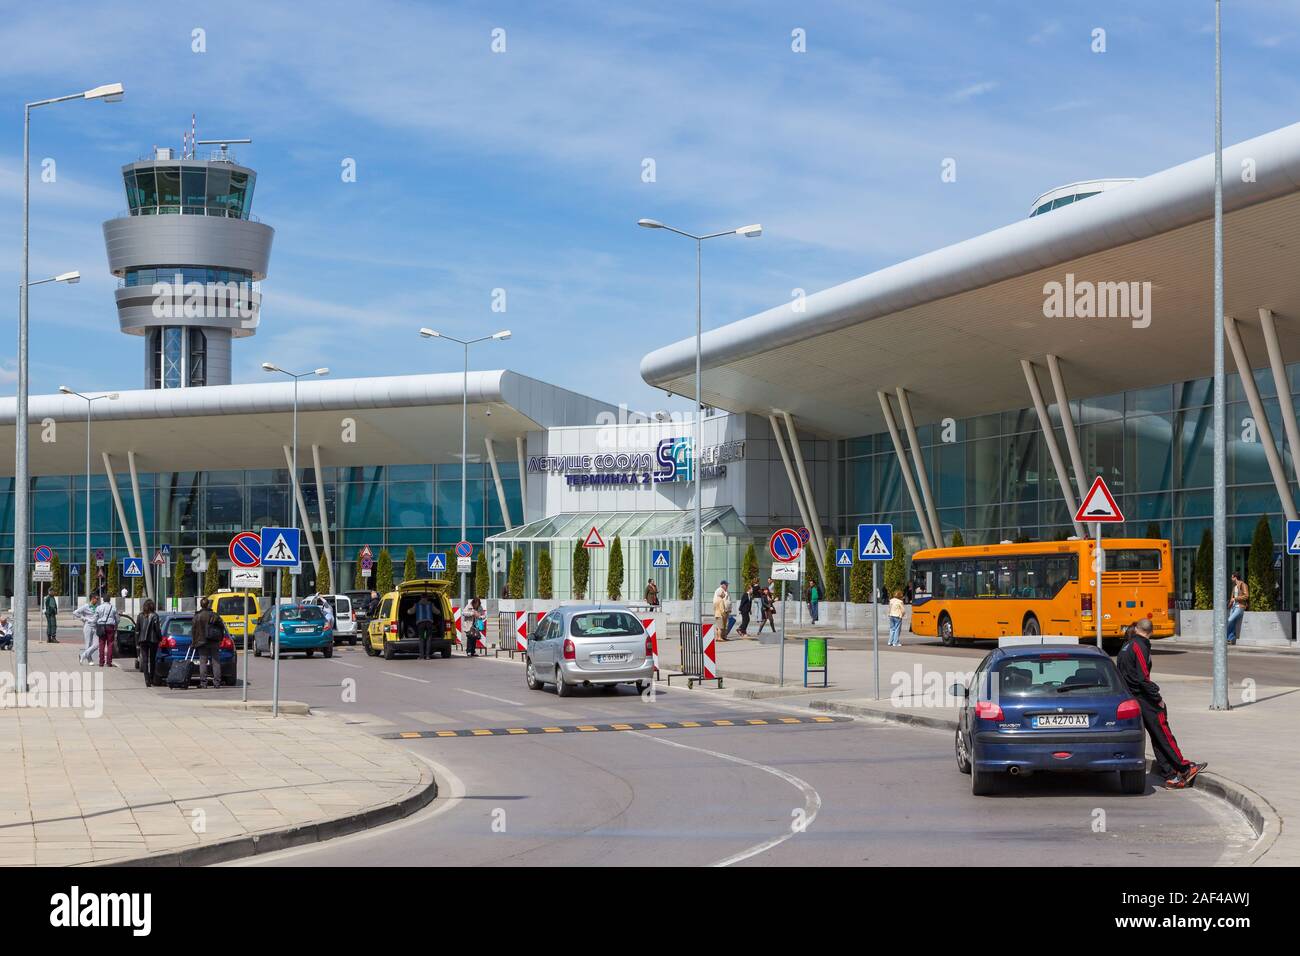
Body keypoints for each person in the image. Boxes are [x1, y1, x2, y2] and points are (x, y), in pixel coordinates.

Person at [1117, 618, 1207, 789]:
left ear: (1136, 629)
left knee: (1157, 736)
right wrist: (1157, 698)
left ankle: (1170, 775)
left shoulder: (1126, 646)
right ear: (1151, 632)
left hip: (1131, 697)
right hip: (1144, 698)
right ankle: (1185, 767)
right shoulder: (1139, 646)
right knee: (1163, 733)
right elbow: (1143, 677)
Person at [191, 597, 223, 688]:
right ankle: (217, 683)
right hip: (214, 641)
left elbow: (193, 630)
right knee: (216, 662)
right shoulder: (215, 615)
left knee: (203, 662)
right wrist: (220, 639)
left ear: (201, 605)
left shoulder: (197, 616)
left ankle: (203, 683)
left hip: (201, 642)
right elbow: (222, 628)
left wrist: (193, 642)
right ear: (208, 604)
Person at [136, 598, 163, 688]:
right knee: (152, 659)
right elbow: (157, 629)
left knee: (144, 660)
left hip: (143, 640)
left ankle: (146, 679)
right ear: (153, 606)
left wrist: (137, 642)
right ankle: (151, 678)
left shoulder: (140, 616)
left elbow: (137, 630)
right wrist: (160, 638)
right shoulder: (155, 616)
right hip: (153, 640)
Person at [74, 594, 99, 664]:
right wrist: (83, 618)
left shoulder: (98, 607)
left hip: (95, 627)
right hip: (88, 626)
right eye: (96, 598)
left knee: (97, 644)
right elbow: (75, 612)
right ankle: (89, 659)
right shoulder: (86, 606)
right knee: (88, 644)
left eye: (98, 599)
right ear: (92, 599)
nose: (97, 600)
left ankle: (83, 655)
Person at [411, 593, 438, 659]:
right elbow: (436, 612)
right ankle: (428, 656)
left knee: (421, 639)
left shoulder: (417, 604)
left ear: (421, 597)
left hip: (420, 623)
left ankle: (421, 656)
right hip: (429, 622)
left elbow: (410, 612)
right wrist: (439, 612)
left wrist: (407, 610)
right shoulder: (431, 604)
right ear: (427, 597)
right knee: (429, 639)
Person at [94, 594, 119, 667]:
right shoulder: (113, 608)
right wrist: (116, 626)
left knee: (101, 644)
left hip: (101, 626)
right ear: (109, 600)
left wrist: (96, 625)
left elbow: (95, 617)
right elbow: (117, 619)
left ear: (103, 600)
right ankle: (109, 662)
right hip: (110, 626)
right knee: (110, 644)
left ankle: (101, 662)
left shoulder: (99, 607)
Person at [1227, 571, 1248, 645]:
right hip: (1233, 607)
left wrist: (1235, 599)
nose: (1231, 578)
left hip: (1240, 607)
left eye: (1232, 577)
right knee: (1232, 622)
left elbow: (1246, 596)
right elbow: (1232, 598)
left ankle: (1229, 637)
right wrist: (1229, 605)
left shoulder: (1243, 585)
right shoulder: (1234, 587)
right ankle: (1230, 639)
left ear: (1235, 577)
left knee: (1229, 620)